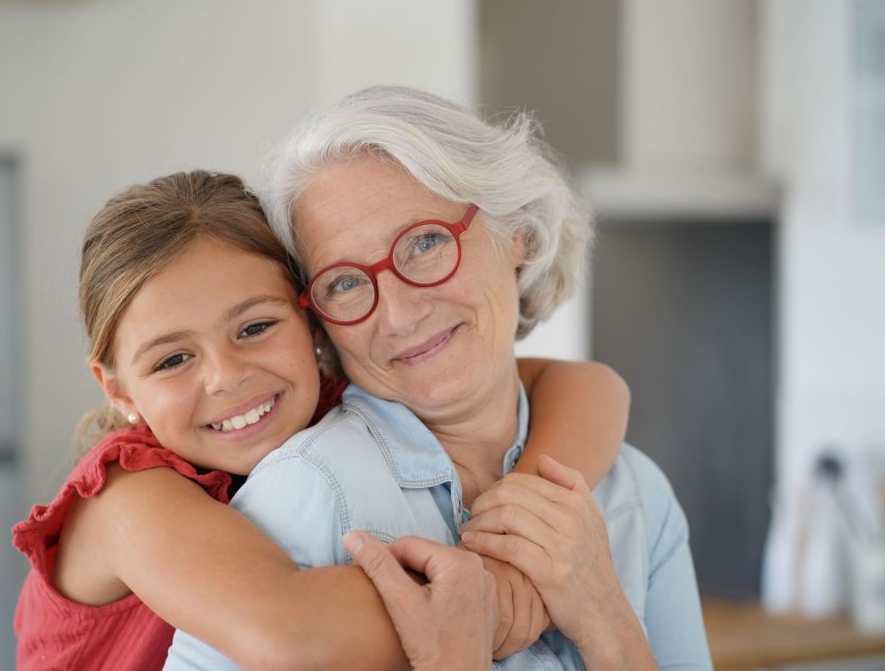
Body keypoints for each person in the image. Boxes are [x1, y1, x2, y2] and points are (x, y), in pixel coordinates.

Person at [165, 86, 713, 670]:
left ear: (516, 232)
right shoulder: (307, 491)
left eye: (425, 243)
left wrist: (610, 623)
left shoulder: (635, 494)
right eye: (345, 282)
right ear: (320, 324)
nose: (400, 314)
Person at [12, 170, 632, 670]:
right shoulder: (126, 498)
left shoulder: (337, 403)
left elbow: (586, 383)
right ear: (117, 387)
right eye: (174, 359)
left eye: (255, 328)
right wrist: (509, 591)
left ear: (312, 325)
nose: (226, 376)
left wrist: (531, 519)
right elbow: (293, 637)